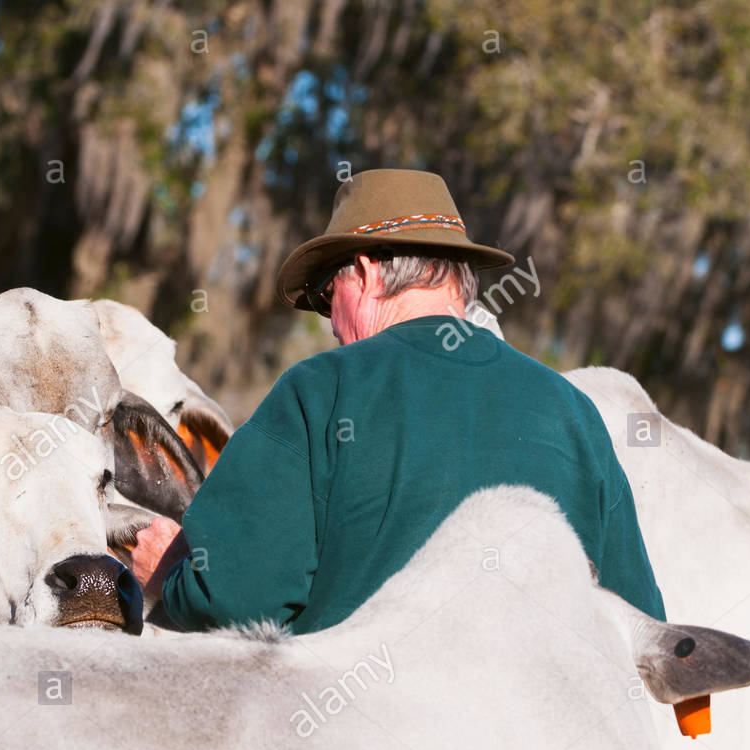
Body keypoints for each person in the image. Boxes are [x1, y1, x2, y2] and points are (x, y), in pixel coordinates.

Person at [132, 169, 665, 633]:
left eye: (325, 298)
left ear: (362, 273)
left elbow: (235, 598)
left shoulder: (320, 390)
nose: (332, 326)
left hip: (362, 742)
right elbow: (640, 622)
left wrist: (172, 579)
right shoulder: (573, 410)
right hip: (544, 740)